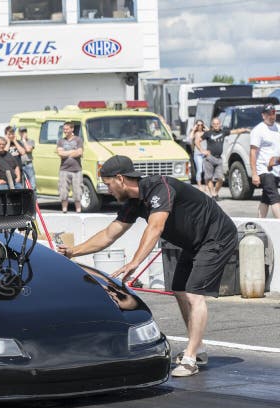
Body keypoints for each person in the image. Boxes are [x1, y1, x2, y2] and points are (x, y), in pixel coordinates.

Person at [57, 155, 237, 378]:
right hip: (193, 243)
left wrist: (135, 261)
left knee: (193, 294)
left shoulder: (160, 187)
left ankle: (190, 359)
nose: (107, 189)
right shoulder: (132, 203)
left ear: (120, 179)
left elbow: (155, 227)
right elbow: (108, 235)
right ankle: (197, 348)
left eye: (108, 183)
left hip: (217, 237)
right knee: (179, 291)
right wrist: (73, 252)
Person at [199, 117, 250, 200]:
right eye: (214, 124)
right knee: (208, 178)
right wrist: (202, 150)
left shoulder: (223, 132)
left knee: (221, 178)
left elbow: (235, 131)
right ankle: (213, 195)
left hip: (219, 159)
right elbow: (197, 140)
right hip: (209, 158)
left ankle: (215, 192)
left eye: (217, 124)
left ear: (220, 124)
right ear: (212, 125)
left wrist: (245, 130)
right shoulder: (208, 133)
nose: (216, 125)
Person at [249, 103, 280, 219]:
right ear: (263, 115)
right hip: (264, 170)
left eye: (273, 113)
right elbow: (252, 152)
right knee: (275, 198)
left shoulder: (278, 128)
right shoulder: (258, 130)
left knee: (266, 199)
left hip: (276, 169)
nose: (271, 116)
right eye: (268, 114)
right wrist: (254, 174)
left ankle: (260, 223)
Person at [56, 121, 83, 213]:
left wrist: (66, 153)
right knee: (63, 190)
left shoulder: (78, 140)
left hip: (77, 170)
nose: (65, 131)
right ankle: (64, 209)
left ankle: (78, 209)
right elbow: (60, 153)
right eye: (64, 129)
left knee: (77, 190)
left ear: (72, 129)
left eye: (67, 129)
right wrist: (72, 152)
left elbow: (79, 152)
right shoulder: (61, 141)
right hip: (64, 169)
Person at [189, 120, 206, 191]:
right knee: (200, 170)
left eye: (201, 125)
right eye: (198, 125)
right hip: (198, 154)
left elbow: (211, 133)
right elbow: (190, 138)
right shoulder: (195, 133)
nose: (200, 126)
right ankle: (199, 186)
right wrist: (193, 129)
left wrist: (205, 127)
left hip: (205, 153)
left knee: (206, 170)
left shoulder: (205, 133)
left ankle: (206, 185)